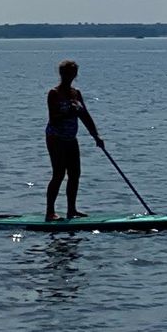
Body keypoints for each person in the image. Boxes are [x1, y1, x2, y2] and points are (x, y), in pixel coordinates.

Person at [44, 59, 102, 221]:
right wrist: (69, 111)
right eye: (67, 73)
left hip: (71, 138)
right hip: (55, 138)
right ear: (62, 74)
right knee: (59, 174)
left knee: (75, 174)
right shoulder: (54, 93)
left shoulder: (76, 93)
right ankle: (50, 212)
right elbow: (53, 118)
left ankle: (72, 210)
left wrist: (96, 135)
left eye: (73, 73)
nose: (70, 76)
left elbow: (85, 115)